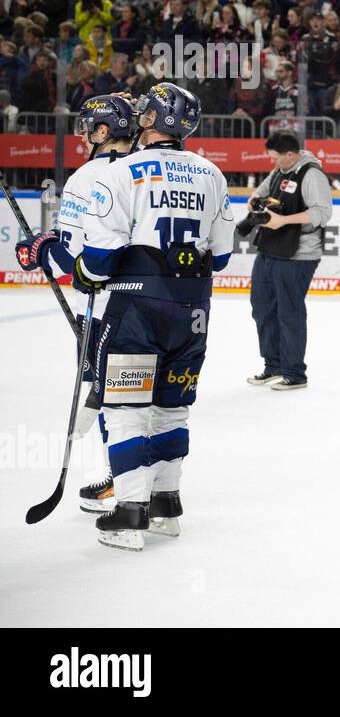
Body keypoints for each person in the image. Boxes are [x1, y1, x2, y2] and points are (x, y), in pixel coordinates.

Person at [68, 83, 235, 551]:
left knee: (125, 411)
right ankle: (166, 505)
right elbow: (220, 257)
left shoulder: (122, 172)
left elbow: (97, 260)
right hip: (193, 309)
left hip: (137, 309)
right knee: (172, 406)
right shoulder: (212, 174)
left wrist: (82, 271)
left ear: (146, 121)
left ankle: (130, 511)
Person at [13, 96, 137, 515]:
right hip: (160, 303)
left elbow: (74, 261)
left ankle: (120, 482)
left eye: (88, 127)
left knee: (111, 395)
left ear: (104, 133)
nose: (83, 135)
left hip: (107, 307)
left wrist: (40, 250)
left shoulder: (87, 178)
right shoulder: (148, 169)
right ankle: (151, 482)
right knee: (150, 397)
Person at [238, 130, 335, 390]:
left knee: (289, 312)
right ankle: (273, 366)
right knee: (261, 307)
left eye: (276, 158)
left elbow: (323, 213)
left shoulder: (311, 174)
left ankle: (294, 373)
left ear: (290, 154)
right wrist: (254, 201)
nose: (273, 163)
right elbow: (262, 191)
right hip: (270, 247)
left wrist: (283, 220)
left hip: (299, 253)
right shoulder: (281, 170)